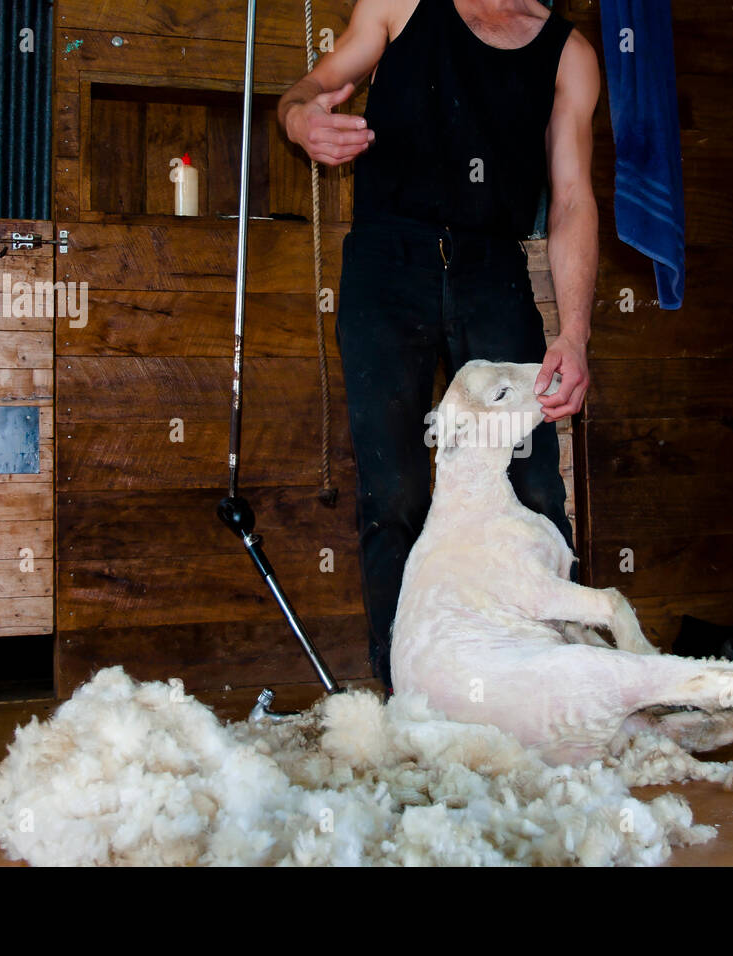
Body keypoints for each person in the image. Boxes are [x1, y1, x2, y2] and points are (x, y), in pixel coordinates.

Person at [278, 0, 599, 690]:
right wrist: (303, 120)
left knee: (534, 485)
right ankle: (409, 695)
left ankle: (553, 679)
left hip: (494, 270)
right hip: (388, 264)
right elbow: (305, 91)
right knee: (394, 493)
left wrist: (574, 334)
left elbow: (572, 198)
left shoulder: (570, 56)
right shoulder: (397, 5)